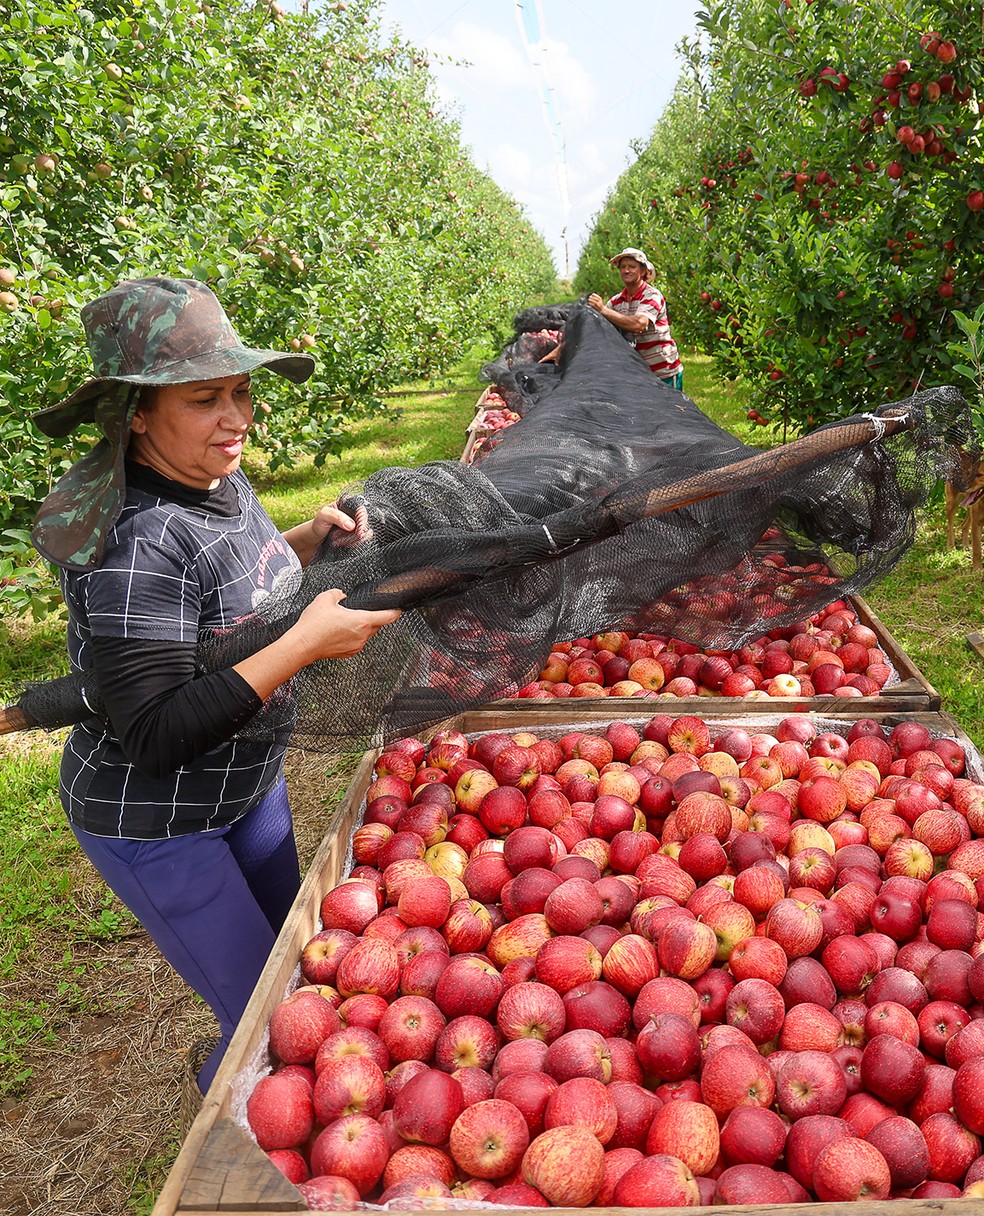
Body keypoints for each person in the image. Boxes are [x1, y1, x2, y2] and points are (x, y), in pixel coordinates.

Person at [30, 277, 401, 1091]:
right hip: (162, 826)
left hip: (242, 786)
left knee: (294, 975)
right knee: (271, 1035)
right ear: (136, 413)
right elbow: (156, 733)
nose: (237, 418)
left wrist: (304, 539)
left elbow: (229, 593)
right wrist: (301, 646)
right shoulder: (137, 544)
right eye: (206, 399)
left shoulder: (213, 480)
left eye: (241, 392)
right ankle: (233, 1140)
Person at [587, 246, 683, 390]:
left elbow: (639, 324)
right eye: (623, 267)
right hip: (638, 372)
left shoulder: (652, 295)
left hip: (663, 371)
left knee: (671, 411)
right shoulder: (616, 302)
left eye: (632, 267)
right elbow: (595, 329)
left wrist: (602, 309)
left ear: (643, 271)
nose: (626, 270)